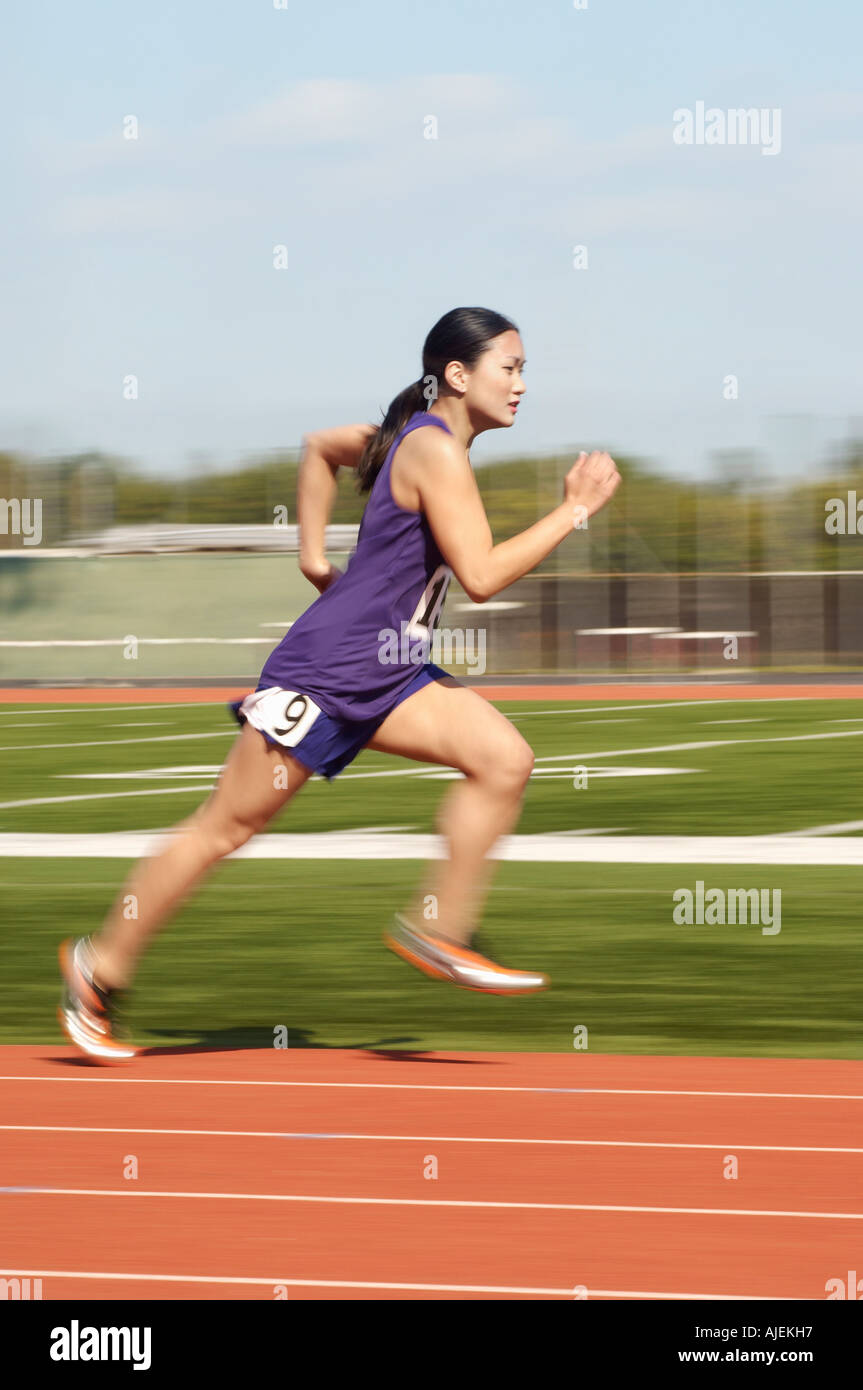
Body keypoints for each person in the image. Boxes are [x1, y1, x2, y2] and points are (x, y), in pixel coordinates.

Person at [58, 305, 621, 1063]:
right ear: (457, 375)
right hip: (327, 675)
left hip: (390, 673)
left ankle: (439, 927)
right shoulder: (433, 453)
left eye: (523, 370)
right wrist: (573, 510)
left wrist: (313, 559)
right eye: (509, 368)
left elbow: (320, 446)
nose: (522, 384)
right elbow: (482, 576)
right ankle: (98, 967)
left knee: (503, 760)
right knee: (226, 827)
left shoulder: (412, 440)